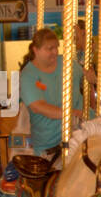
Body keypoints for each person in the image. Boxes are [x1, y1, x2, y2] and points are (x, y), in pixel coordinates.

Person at [18, 27, 84, 157]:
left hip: (79, 134)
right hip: (50, 144)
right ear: (35, 50)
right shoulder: (28, 75)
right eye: (49, 48)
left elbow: (85, 78)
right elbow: (39, 107)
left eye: (56, 47)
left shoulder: (67, 64)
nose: (55, 52)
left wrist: (92, 80)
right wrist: (72, 113)